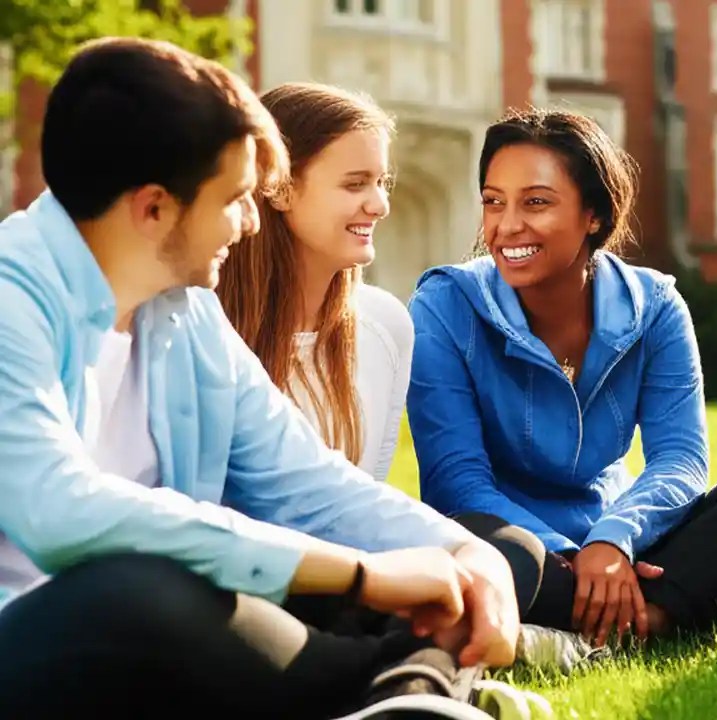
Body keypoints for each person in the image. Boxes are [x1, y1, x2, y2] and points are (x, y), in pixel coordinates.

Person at [0, 38, 544, 720]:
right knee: (136, 590)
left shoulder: (185, 311)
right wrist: (362, 575)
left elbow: (305, 480)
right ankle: (400, 684)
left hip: (167, 628)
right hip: (44, 633)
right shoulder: (12, 300)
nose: (253, 221)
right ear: (153, 208)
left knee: (434, 584)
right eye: (233, 199)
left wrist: (460, 555)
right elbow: (63, 514)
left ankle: (405, 696)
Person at [408, 108, 717, 655]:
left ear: (593, 215)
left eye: (535, 202)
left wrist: (614, 540)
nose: (506, 225)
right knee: (473, 545)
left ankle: (589, 635)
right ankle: (680, 615)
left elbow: (680, 460)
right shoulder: (443, 306)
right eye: (494, 201)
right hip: (516, 545)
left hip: (624, 538)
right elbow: (457, 485)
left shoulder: (655, 309)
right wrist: (576, 557)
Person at [218, 82, 410, 483]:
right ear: (280, 187)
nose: (380, 205)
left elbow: (369, 500)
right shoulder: (204, 327)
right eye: (355, 184)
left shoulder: (387, 325)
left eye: (382, 182)